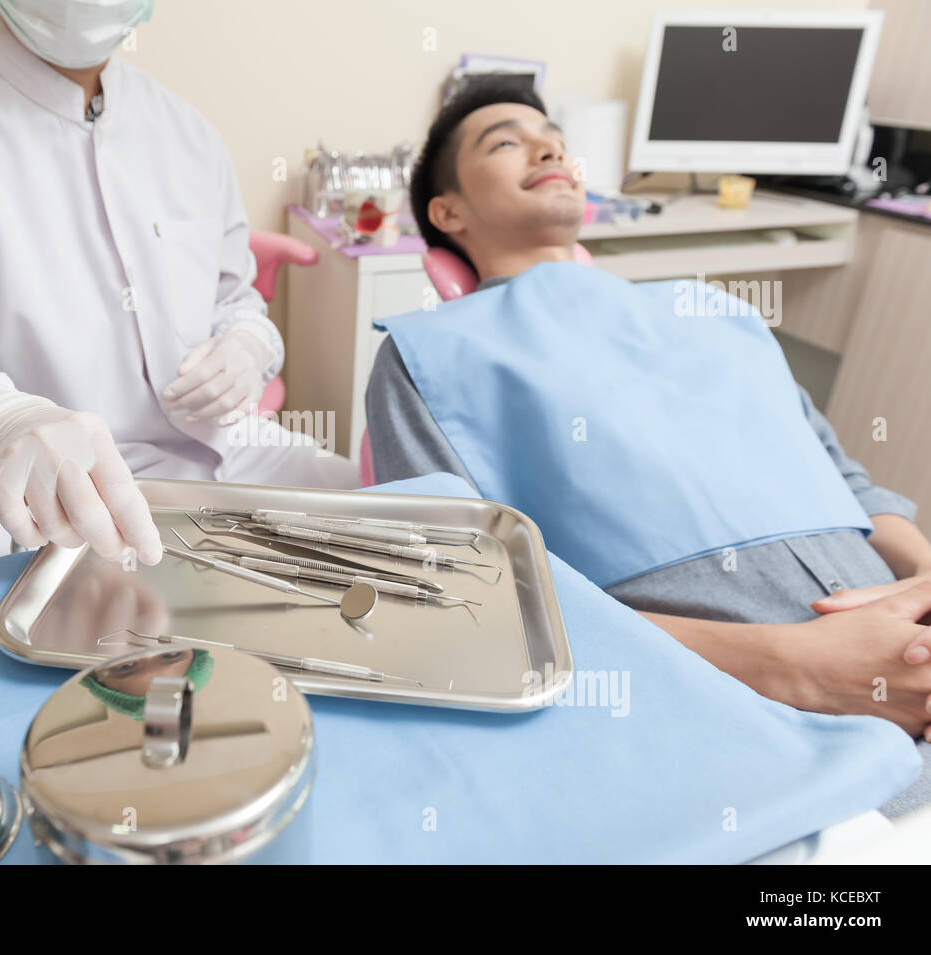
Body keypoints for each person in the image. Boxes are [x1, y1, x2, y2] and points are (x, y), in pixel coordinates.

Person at [366, 78, 931, 813]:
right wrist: (792, 666)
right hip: (738, 706)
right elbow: (465, 601)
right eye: (506, 141)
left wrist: (921, 579)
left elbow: (847, 480)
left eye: (554, 136)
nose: (549, 146)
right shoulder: (430, 353)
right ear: (448, 213)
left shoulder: (714, 312)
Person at [0, 0, 357, 566]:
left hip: (227, 453)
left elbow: (233, 298)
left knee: (391, 515)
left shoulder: (185, 132)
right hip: (48, 510)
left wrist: (249, 344)